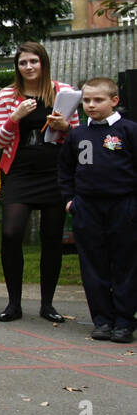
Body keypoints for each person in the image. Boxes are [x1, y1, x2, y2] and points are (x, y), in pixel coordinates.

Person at [0, 42, 78, 322]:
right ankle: (14, 304)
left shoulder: (63, 92)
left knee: (52, 238)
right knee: (11, 233)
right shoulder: (6, 95)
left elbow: (77, 138)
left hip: (54, 172)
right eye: (23, 62)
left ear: (43, 63)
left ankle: (47, 305)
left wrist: (66, 128)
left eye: (33, 61)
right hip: (20, 172)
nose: (28, 67)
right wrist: (14, 118)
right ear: (17, 67)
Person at [58, 77, 137, 343]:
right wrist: (70, 199)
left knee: (125, 263)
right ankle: (102, 320)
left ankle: (124, 321)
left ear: (114, 101)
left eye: (98, 100)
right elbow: (66, 169)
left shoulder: (129, 131)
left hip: (123, 206)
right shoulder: (78, 134)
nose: (91, 105)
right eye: (87, 101)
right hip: (87, 208)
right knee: (93, 264)